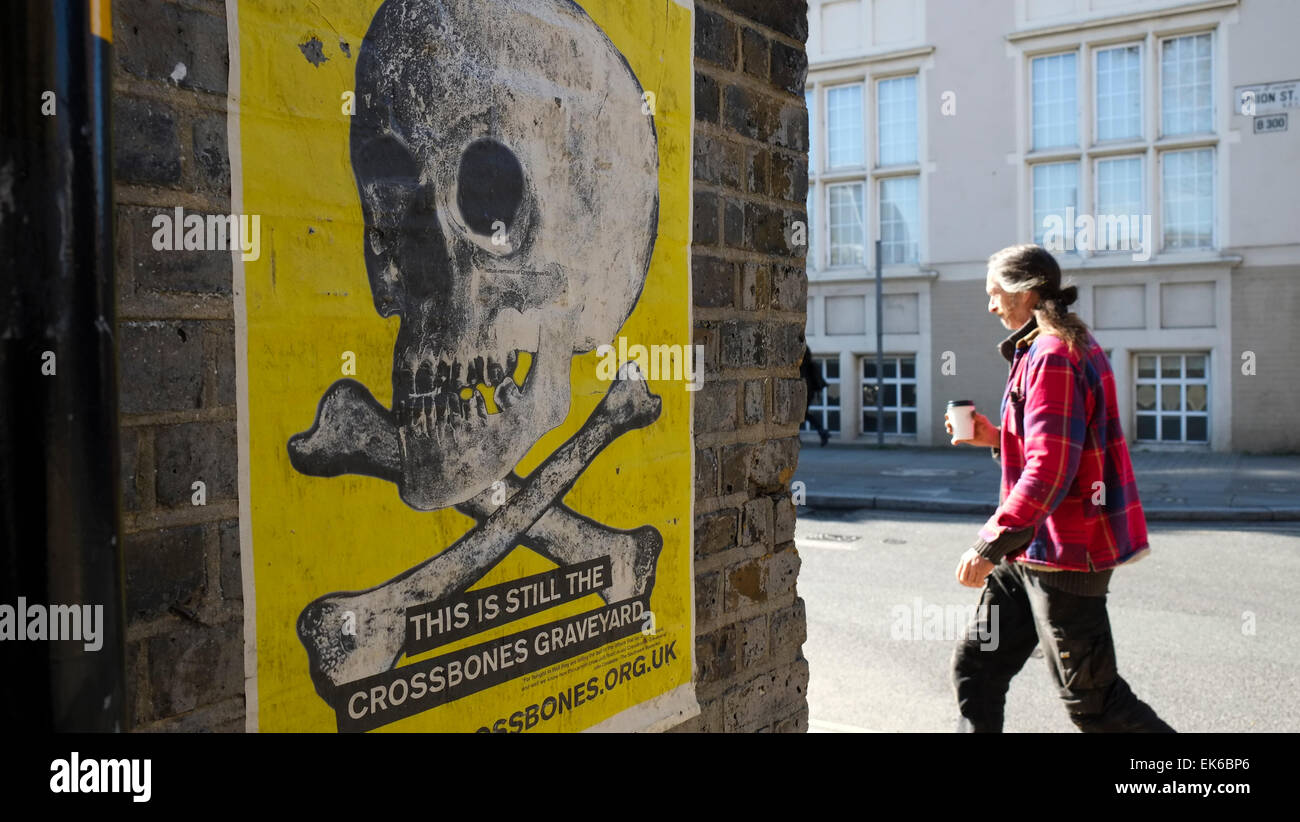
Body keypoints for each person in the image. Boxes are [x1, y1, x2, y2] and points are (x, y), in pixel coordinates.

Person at [945, 244, 1173, 733]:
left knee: (1095, 702)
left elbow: (1050, 467)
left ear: (1026, 292)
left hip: (1064, 555)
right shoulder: (1047, 345)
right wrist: (994, 436)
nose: (990, 305)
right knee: (977, 667)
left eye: (995, 293)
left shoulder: (1052, 353)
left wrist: (990, 542)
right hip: (1029, 551)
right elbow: (1053, 444)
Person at [800, 345, 830, 446]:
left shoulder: (802, 355)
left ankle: (822, 432)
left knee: (800, 415)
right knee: (803, 415)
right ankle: (822, 432)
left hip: (804, 390)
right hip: (807, 390)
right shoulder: (805, 351)